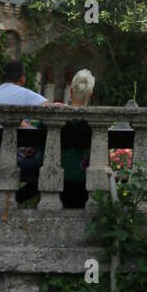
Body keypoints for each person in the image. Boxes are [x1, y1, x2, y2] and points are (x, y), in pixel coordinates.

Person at [0, 59, 53, 202]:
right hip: (7, 163)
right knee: (49, 168)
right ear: (22, 78)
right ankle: (15, 201)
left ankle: (8, 202)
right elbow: (52, 108)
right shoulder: (23, 94)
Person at [60, 68, 96, 208]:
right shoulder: (95, 123)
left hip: (58, 176)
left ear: (70, 90)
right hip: (84, 178)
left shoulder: (52, 118)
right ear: (90, 94)